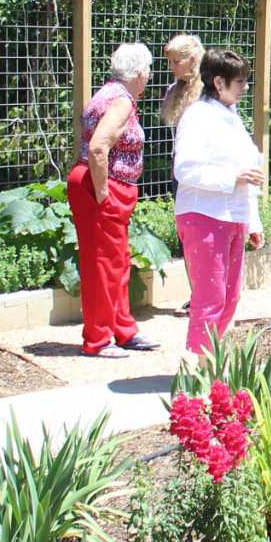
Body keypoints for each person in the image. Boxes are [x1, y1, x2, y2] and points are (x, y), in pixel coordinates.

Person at [171, 48, 266, 355]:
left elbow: (247, 173)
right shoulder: (198, 116)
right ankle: (202, 366)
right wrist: (233, 176)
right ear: (219, 82)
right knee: (210, 297)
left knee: (230, 296)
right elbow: (184, 169)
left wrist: (253, 221)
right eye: (240, 81)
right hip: (203, 215)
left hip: (232, 216)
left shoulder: (230, 116)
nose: (246, 87)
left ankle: (212, 357)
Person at [67, 41, 158, 358]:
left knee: (117, 259)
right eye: (148, 71)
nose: (149, 76)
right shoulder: (120, 101)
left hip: (103, 187)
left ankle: (123, 330)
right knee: (102, 264)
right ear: (139, 72)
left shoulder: (109, 93)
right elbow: (97, 148)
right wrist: (103, 192)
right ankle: (99, 338)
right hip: (101, 188)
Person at [157, 33, 205, 130]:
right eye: (170, 62)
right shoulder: (173, 90)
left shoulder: (209, 89)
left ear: (193, 60)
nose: (171, 67)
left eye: (176, 62)